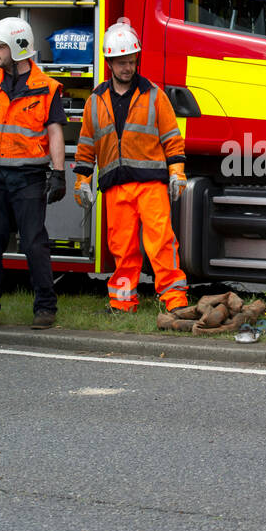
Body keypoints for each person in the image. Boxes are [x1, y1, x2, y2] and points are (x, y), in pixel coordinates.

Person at [74, 18, 189, 313]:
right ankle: (123, 303)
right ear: (109, 62)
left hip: (151, 183)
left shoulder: (154, 96)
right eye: (121, 62)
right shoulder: (95, 102)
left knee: (162, 242)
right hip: (115, 185)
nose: (127, 67)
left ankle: (174, 300)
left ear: (137, 59)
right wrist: (82, 180)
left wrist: (177, 173)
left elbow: (172, 140)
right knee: (122, 248)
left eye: (131, 61)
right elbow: (87, 145)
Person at [0, 17, 66, 330]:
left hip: (28, 178)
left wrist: (58, 173)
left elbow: (55, 132)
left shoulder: (46, 88)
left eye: (1, 46)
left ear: (18, 49)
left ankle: (45, 308)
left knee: (34, 243)